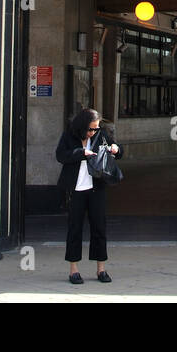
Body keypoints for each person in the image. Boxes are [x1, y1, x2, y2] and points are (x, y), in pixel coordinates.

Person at [55, 108, 121, 285]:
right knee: (74, 228)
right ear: (82, 126)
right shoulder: (69, 136)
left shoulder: (100, 134)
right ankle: (74, 270)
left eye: (96, 128)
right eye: (90, 129)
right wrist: (80, 153)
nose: (93, 132)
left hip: (96, 188)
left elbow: (118, 149)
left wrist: (115, 148)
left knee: (99, 227)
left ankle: (101, 269)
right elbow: (60, 155)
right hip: (76, 189)